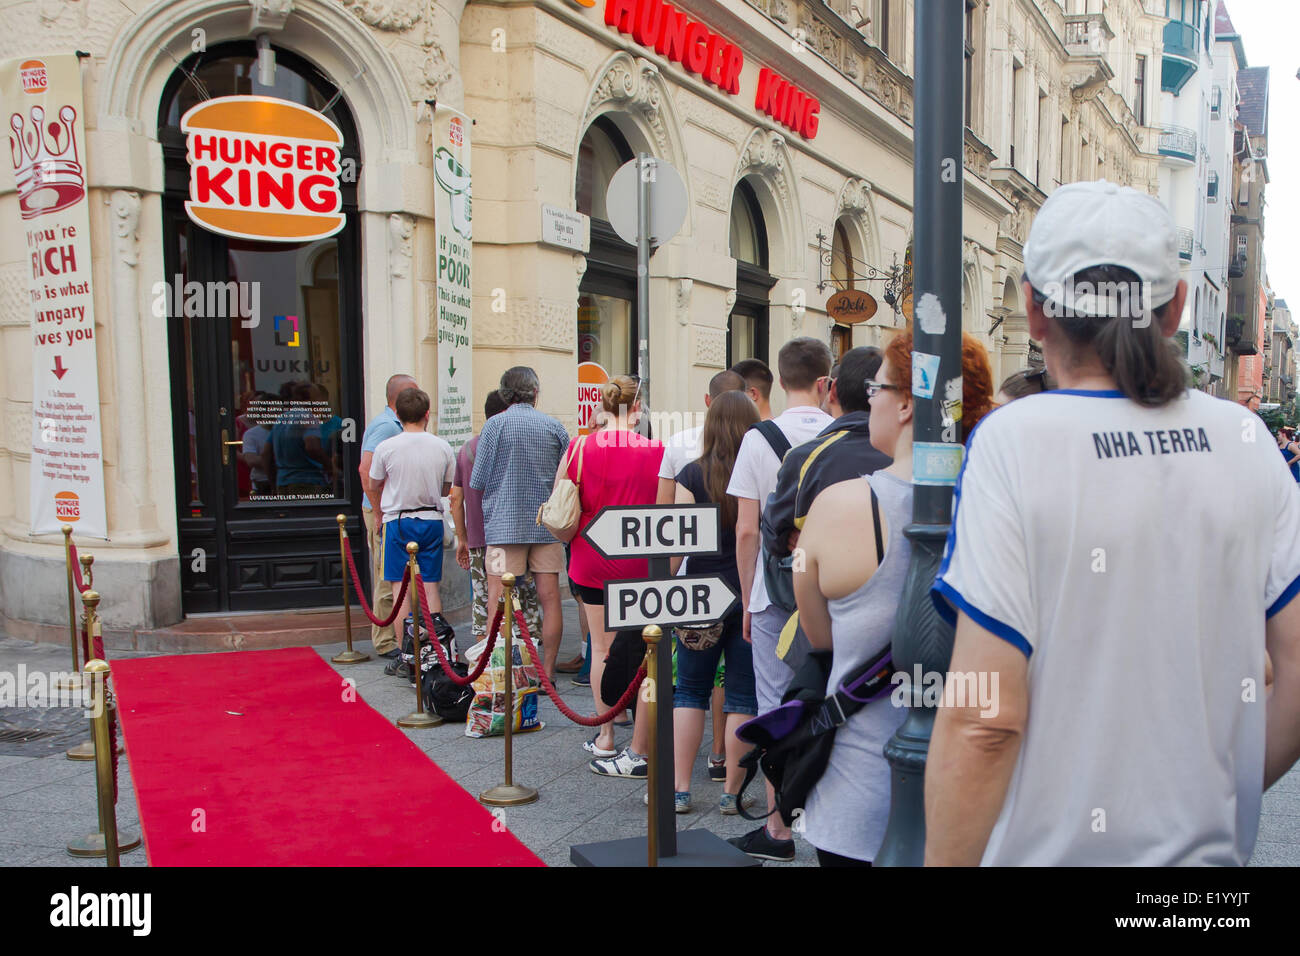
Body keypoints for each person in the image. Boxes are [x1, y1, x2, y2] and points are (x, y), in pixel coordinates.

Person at [926, 179, 1300, 865]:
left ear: (1036, 311)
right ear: (1175, 308)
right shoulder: (1248, 443)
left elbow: (985, 719)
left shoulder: (1015, 441)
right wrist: (1223, 798)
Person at [795, 331, 994, 867]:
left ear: (907, 403)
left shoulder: (837, 507)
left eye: (875, 388)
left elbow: (819, 637)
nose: (869, 401)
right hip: (977, 805)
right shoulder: (1000, 509)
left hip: (858, 795)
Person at [725, 336, 834, 861]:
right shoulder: (845, 436)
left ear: (781, 381)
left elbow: (747, 532)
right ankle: (830, 820)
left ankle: (778, 828)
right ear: (824, 382)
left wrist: (747, 598)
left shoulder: (757, 438)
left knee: (775, 705)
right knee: (831, 700)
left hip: (774, 595)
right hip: (833, 590)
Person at [560, 376, 664, 774]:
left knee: (601, 648)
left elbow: (562, 497)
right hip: (641, 562)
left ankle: (605, 737)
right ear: (637, 410)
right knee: (644, 652)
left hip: (591, 557)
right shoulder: (656, 450)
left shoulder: (580, 447)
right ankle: (641, 737)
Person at [669, 390, 760, 813]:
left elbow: (676, 544)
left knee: (689, 691)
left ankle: (681, 788)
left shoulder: (691, 474)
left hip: (697, 597)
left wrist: (661, 592)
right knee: (742, 696)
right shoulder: (758, 471)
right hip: (747, 592)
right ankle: (730, 794)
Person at [762, 347, 893, 604]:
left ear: (832, 392)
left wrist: (808, 546)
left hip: (822, 602)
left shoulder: (806, 458)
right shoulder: (909, 456)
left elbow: (775, 537)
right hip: (897, 602)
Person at [469, 366, 571, 680]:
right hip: (546, 525)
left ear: (504, 393)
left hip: (503, 526)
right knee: (550, 598)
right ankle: (548, 672)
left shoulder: (494, 426)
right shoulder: (553, 426)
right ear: (535, 393)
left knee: (499, 600)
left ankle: (500, 672)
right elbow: (566, 477)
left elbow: (479, 479)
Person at [449, 390, 544, 659]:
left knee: (484, 601)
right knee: (524, 601)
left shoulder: (467, 449)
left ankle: (488, 661)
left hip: (480, 537)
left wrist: (462, 537)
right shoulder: (514, 445)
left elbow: (455, 499)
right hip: (515, 534)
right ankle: (529, 661)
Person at [368, 387, 457, 649]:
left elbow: (373, 483)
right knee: (430, 587)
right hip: (430, 518)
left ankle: (405, 651)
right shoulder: (442, 446)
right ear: (426, 414)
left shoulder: (386, 447)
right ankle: (435, 648)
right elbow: (445, 488)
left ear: (398, 413)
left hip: (398, 520)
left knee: (400, 588)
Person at [359, 373, 417, 657]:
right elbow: (365, 470)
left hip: (388, 510)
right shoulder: (386, 426)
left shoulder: (392, 424)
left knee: (393, 575)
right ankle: (386, 642)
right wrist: (379, 512)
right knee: (387, 578)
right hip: (381, 511)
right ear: (400, 397)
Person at [655, 369, 747, 506]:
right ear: (746, 401)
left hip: (693, 525)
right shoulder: (757, 442)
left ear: (707, 400)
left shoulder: (678, 442)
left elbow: (663, 505)